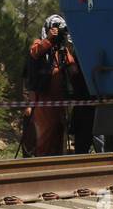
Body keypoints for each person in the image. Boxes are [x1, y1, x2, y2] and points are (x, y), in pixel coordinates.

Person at [26, 14, 81, 156]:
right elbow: (34, 53)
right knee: (45, 136)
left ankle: (56, 168)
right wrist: (49, 39)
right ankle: (41, 167)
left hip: (59, 101)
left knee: (58, 134)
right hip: (43, 101)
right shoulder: (39, 43)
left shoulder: (61, 50)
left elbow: (74, 70)